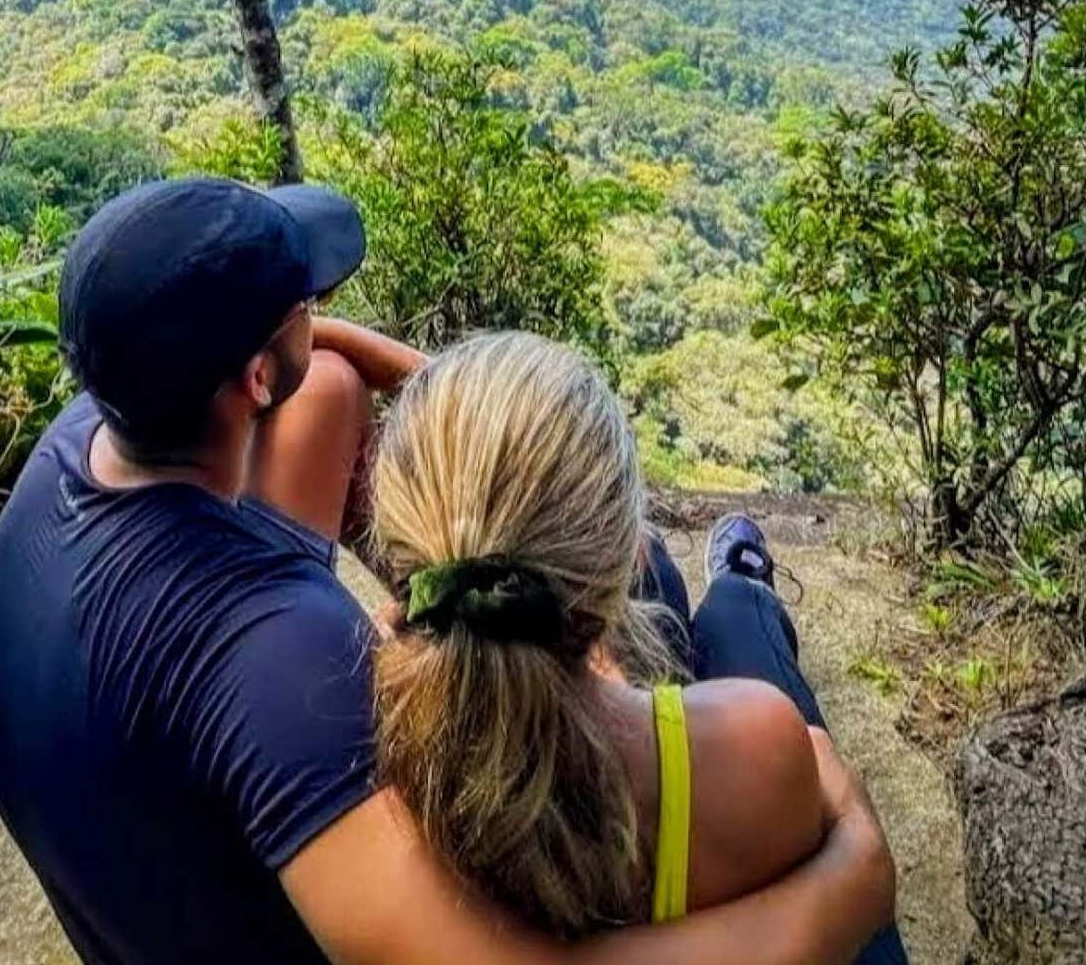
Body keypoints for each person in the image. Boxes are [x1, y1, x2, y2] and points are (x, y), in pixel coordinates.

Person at [0, 176, 896, 965]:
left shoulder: (87, 440)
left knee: (346, 400)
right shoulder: (288, 669)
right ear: (254, 377)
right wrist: (847, 888)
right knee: (693, 597)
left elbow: (312, 375)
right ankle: (734, 591)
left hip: (141, 879)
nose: (319, 314)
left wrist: (442, 399)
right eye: (306, 306)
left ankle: (623, 592)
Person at [370, 331, 908, 960]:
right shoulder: (761, 743)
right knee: (736, 614)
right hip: (691, 773)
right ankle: (742, 580)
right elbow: (820, 785)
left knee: (668, 602)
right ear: (621, 557)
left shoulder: (355, 776)